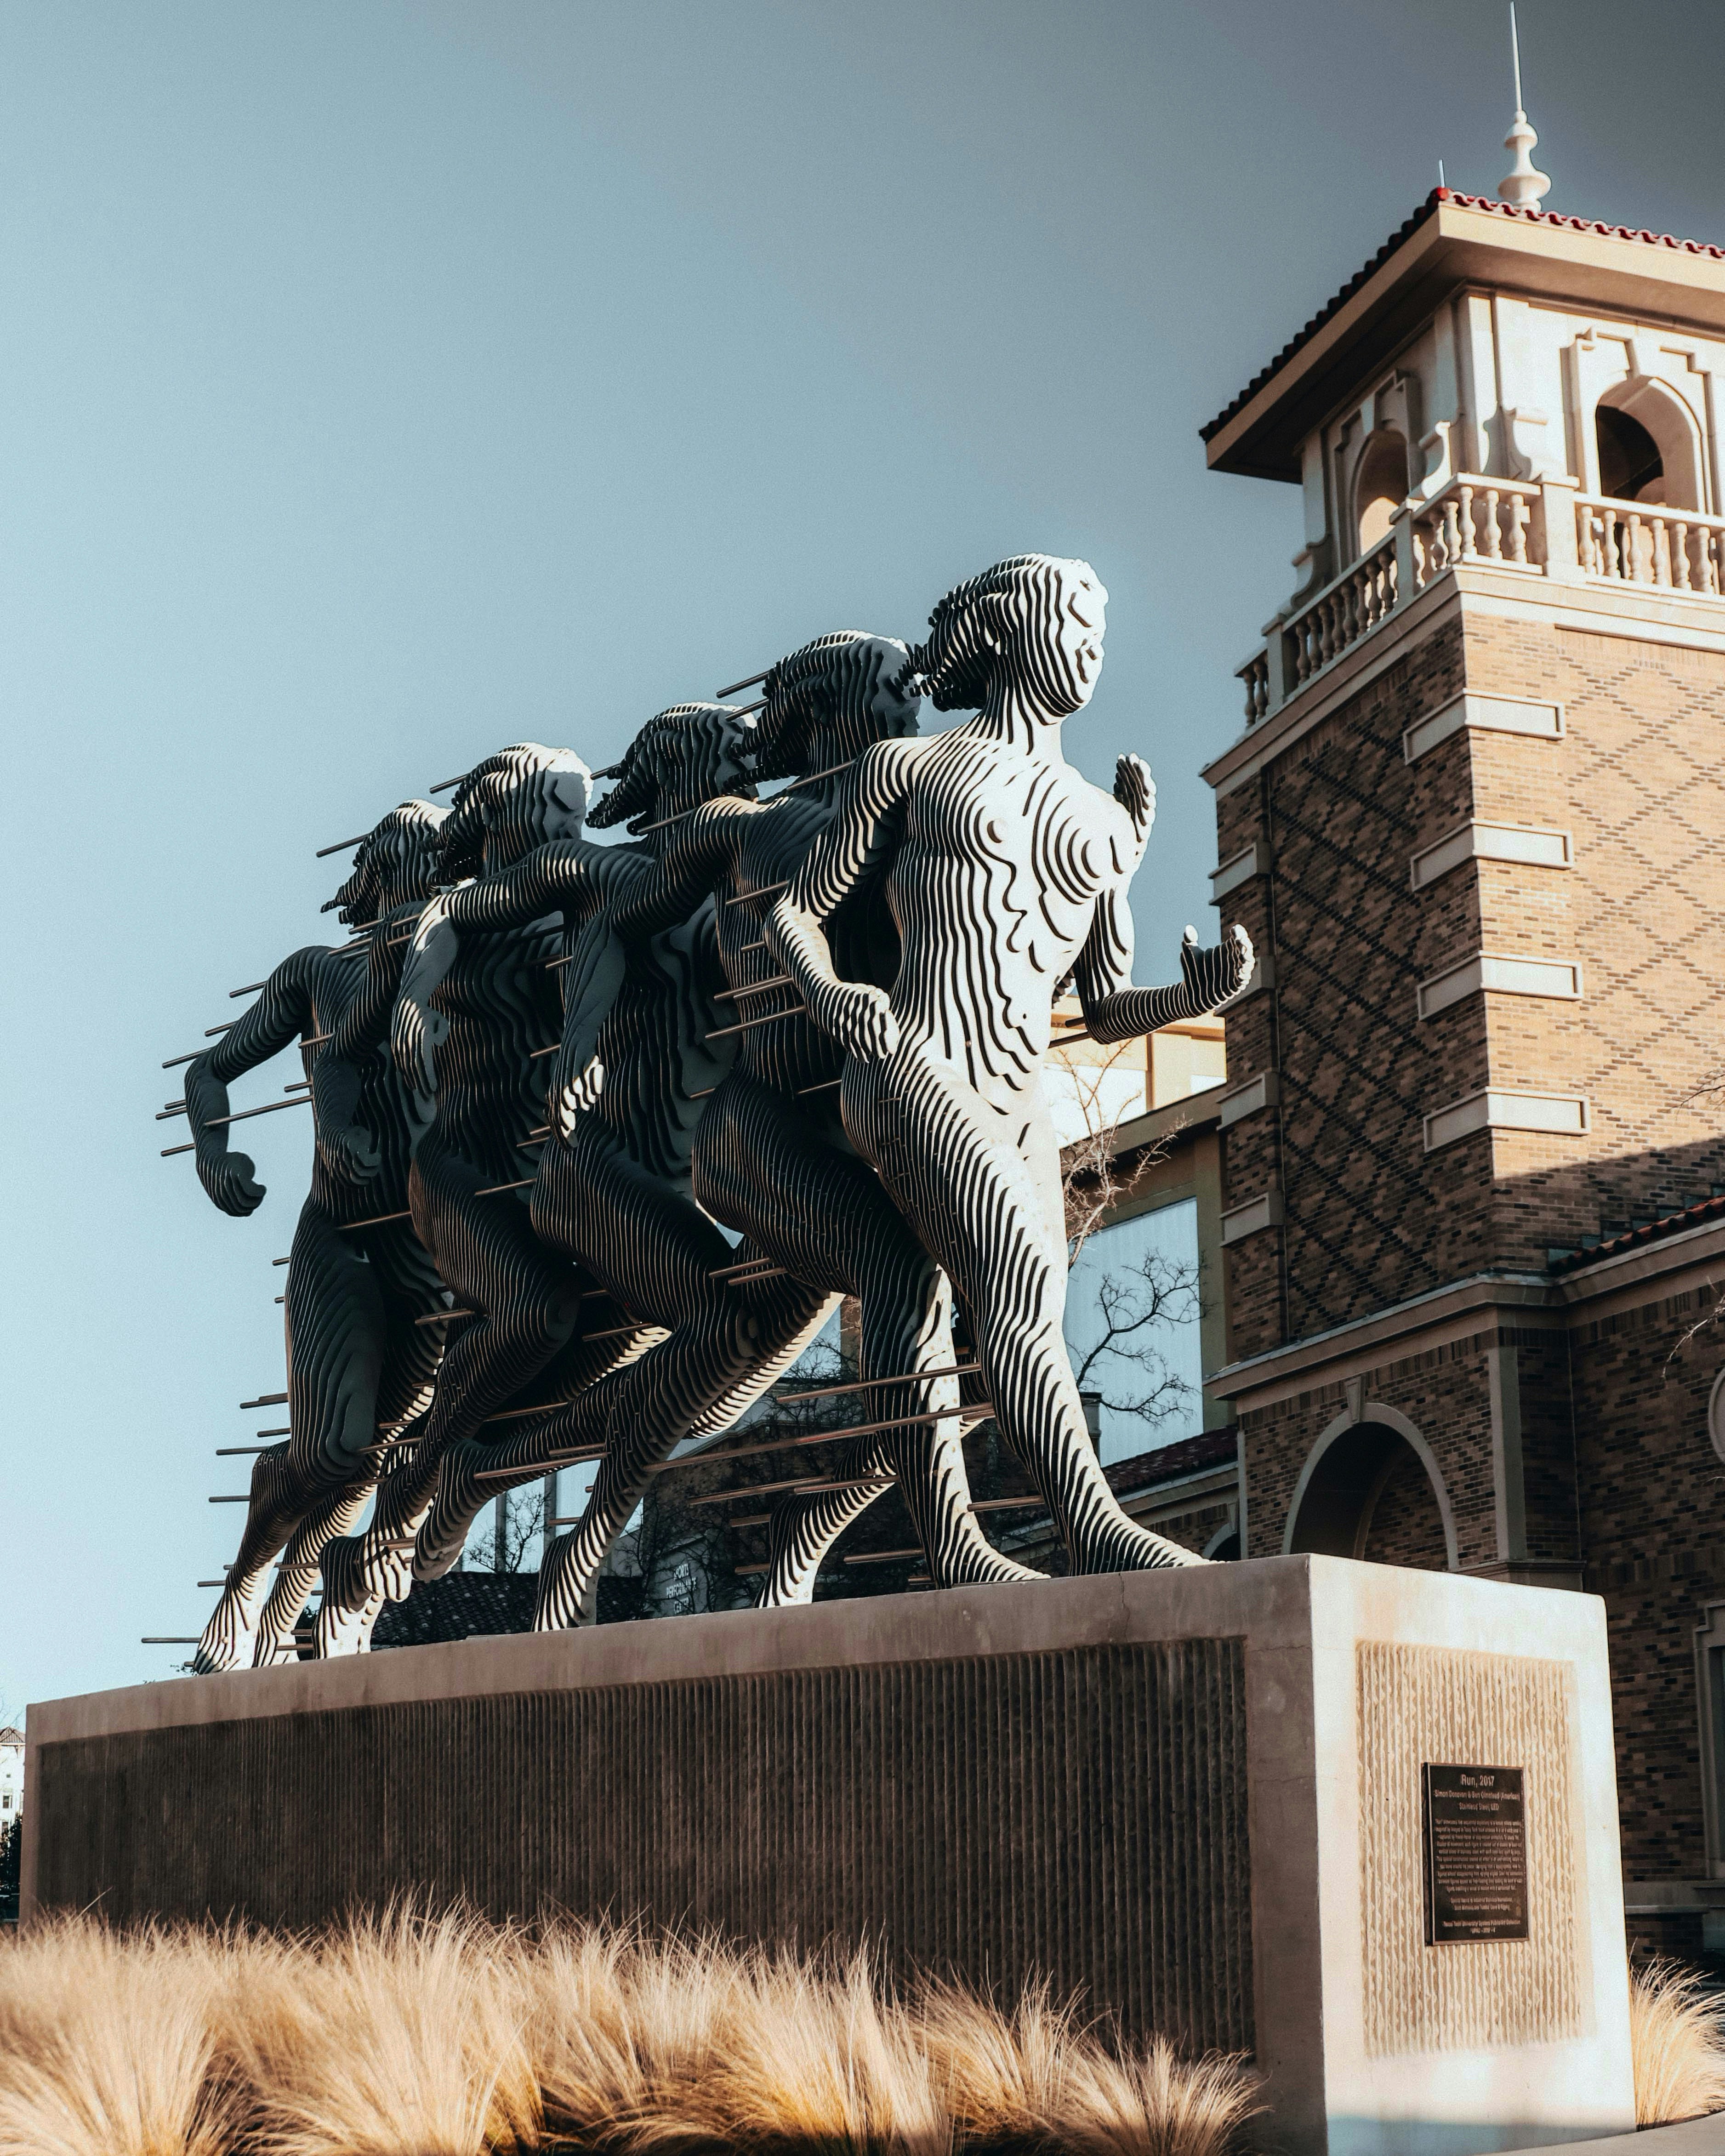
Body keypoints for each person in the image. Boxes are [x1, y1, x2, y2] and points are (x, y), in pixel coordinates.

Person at [769, 555, 1253, 1576]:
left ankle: (958, 1549)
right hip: (910, 1061)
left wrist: (1193, 998)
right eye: (1071, 621)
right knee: (1016, 1291)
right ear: (1005, 633)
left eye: (1096, 632)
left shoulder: (1104, 824)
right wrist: (834, 1000)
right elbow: (793, 913)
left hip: (1020, 1100)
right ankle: (1094, 1529)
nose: (1088, 646)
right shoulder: (914, 770)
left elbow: (1106, 1011)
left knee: (952, 1301)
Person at [538, 632, 1036, 1617]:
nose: (914, 704)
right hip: (751, 1134)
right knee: (896, 1281)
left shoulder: (908, 804)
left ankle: (747, 1545)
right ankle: (956, 1543)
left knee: (746, 1378)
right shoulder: (741, 824)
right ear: (831, 712)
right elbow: (610, 917)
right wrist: (580, 1042)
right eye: (894, 691)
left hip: (855, 1131)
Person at [393, 704, 841, 1623]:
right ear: (677, 773)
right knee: (715, 1332)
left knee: (714, 1394)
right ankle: (569, 1524)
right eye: (729, 761)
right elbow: (453, 908)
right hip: (587, 1172)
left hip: (677, 1193)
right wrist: (413, 1000)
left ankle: (484, 1471)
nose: (747, 778)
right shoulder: (612, 874)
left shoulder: (744, 881)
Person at [185, 802, 450, 1671]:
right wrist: (215, 1150)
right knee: (331, 1447)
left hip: (428, 1248)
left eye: (433, 867)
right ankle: (246, 1585)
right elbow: (211, 1068)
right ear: (374, 877)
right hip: (340, 1240)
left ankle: (291, 1622)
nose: (420, 885)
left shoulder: (459, 961)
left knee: (368, 1458)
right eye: (405, 868)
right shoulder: (320, 975)